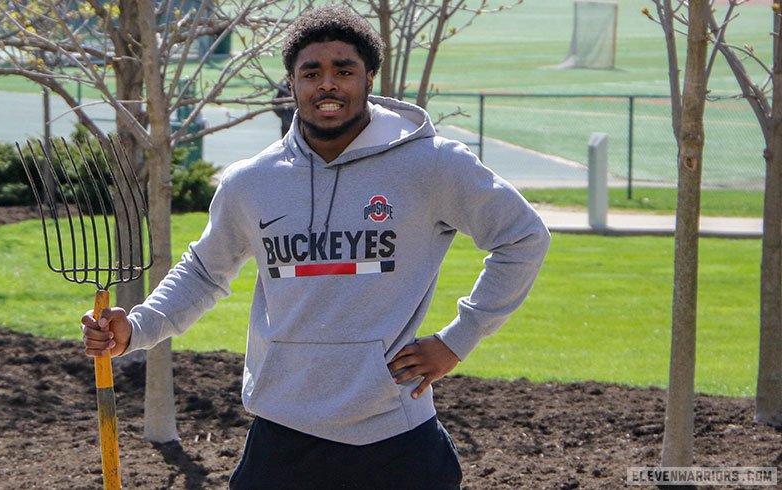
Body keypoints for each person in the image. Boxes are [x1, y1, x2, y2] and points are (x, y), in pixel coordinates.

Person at [82, 5, 550, 489]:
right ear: (291, 83)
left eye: (343, 71)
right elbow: (203, 273)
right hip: (282, 440)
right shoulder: (252, 181)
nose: (328, 84)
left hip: (395, 441)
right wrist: (135, 327)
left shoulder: (432, 166)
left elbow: (523, 237)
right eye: (312, 72)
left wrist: (457, 340)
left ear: (369, 78)